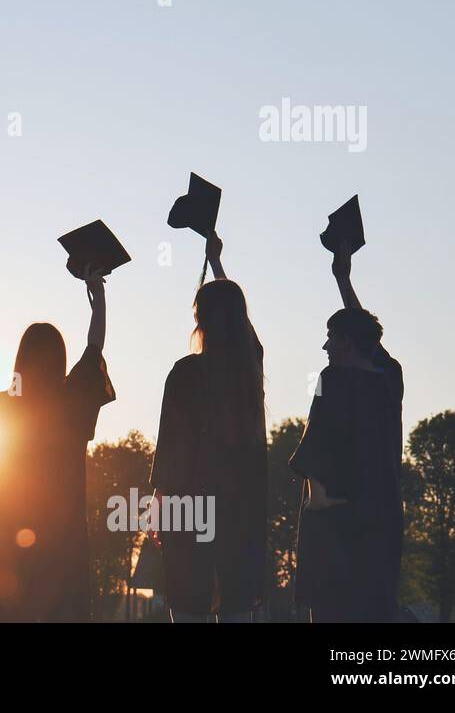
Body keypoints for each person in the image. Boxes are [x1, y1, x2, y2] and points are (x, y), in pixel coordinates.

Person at [0, 262, 115, 622]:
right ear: (59, 361)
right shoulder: (70, 403)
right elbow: (94, 351)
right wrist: (99, 299)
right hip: (64, 543)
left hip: (10, 542)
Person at [149, 234, 266, 623]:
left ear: (200, 319)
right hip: (241, 504)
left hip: (189, 502)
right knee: (236, 603)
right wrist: (217, 264)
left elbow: (170, 444)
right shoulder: (248, 373)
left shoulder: (185, 373)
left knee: (187, 602)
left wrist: (160, 502)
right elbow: (245, 335)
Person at [289, 242, 403, 622]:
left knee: (330, 605)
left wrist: (317, 497)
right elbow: (370, 338)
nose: (325, 345)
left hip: (337, 511)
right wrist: (343, 279)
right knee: (374, 604)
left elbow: (317, 438)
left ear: (347, 342)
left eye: (331, 336)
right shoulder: (390, 378)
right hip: (382, 513)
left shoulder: (332, 378)